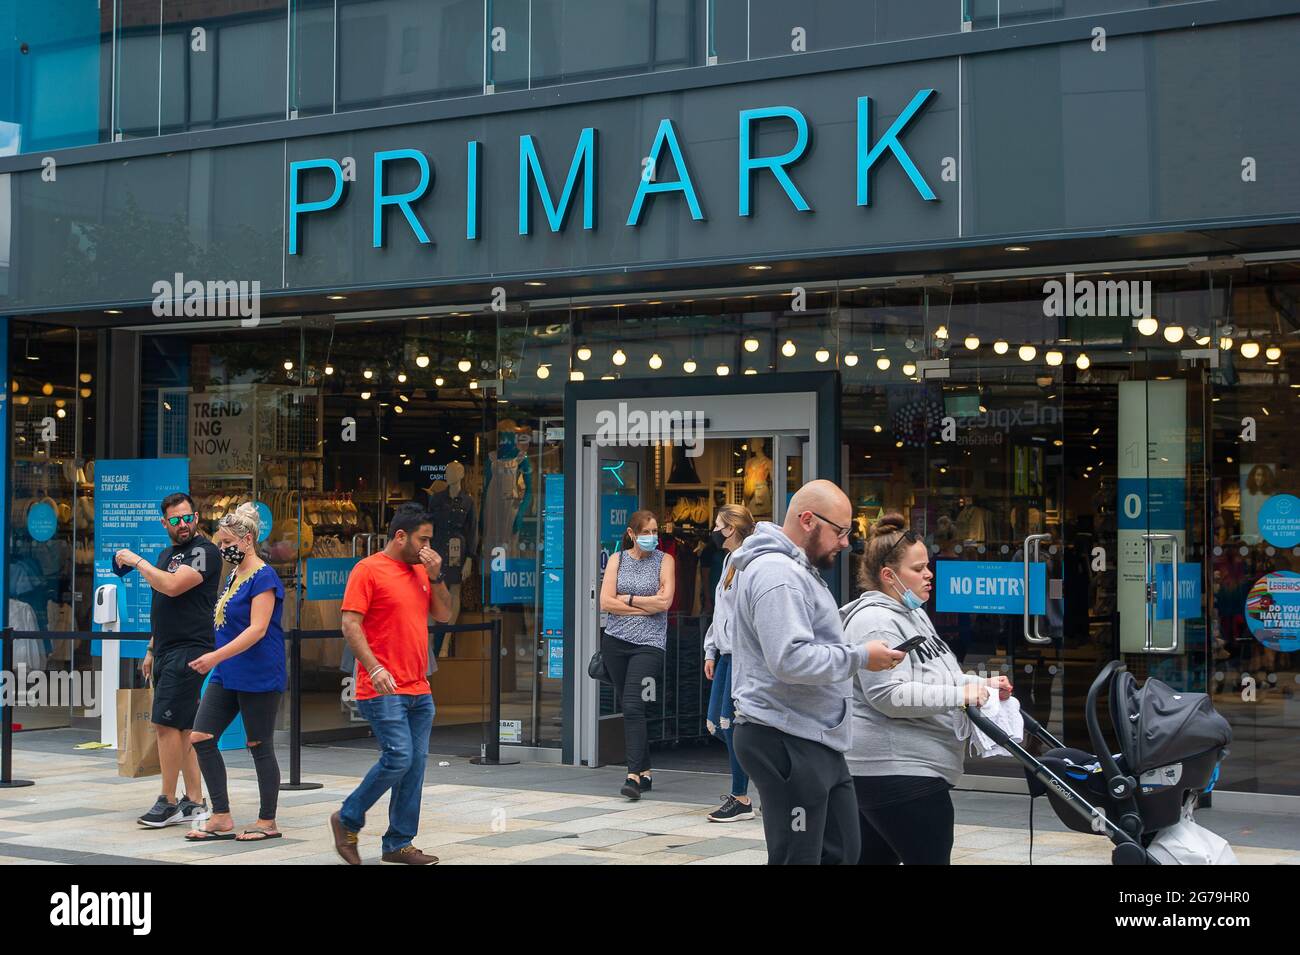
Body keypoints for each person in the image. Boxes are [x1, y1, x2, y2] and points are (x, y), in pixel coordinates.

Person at [729, 480, 904, 864]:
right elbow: (789, 659)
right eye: (840, 532)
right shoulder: (779, 575)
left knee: (839, 852)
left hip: (812, 735)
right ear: (808, 520)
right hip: (787, 734)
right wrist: (860, 656)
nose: (845, 542)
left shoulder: (794, 571)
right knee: (802, 855)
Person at [840, 513, 1013, 865]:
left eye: (927, 566)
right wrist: (961, 696)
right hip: (896, 771)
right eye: (918, 568)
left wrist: (980, 684)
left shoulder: (912, 613)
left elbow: (931, 677)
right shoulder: (875, 620)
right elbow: (887, 695)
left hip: (902, 771)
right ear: (889, 575)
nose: (929, 574)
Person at [329, 503, 452, 865]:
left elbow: (444, 614)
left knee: (414, 765)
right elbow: (350, 625)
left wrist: (437, 576)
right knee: (399, 757)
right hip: (381, 686)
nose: (429, 547)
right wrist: (373, 667)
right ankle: (347, 819)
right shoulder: (367, 570)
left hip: (418, 687)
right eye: (423, 539)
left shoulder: (421, 571)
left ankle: (398, 844)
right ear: (401, 536)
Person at [115, 492, 222, 829]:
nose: (184, 524)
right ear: (165, 523)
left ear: (196, 517)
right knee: (184, 726)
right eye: (175, 520)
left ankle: (168, 801)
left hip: (190, 649)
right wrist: (150, 649)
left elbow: (174, 587)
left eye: (188, 517)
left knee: (164, 723)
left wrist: (137, 562)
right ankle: (193, 800)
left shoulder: (204, 552)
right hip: (165, 649)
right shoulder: (167, 554)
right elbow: (163, 604)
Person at [183, 503, 287, 842]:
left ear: (247, 540)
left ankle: (267, 821)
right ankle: (222, 815)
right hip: (228, 670)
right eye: (219, 540)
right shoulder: (234, 575)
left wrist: (214, 657)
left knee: (258, 744)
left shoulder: (264, 577)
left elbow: (257, 629)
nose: (222, 547)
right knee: (201, 735)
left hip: (257, 671)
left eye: (226, 540)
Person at [599, 509, 675, 800]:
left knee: (632, 704)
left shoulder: (665, 560)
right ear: (632, 534)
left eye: (655, 532)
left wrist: (627, 599)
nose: (652, 537)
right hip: (615, 642)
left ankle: (632, 776)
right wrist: (646, 605)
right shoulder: (617, 559)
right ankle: (646, 770)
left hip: (650, 644)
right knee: (630, 705)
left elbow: (665, 602)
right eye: (646, 533)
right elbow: (606, 602)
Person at [702, 504, 757, 823]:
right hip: (725, 653)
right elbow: (720, 611)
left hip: (742, 655)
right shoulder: (728, 560)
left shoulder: (751, 561)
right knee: (716, 723)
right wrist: (711, 650)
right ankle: (760, 779)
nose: (713, 530)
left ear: (732, 527)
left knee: (730, 724)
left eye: (718, 525)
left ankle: (741, 796)